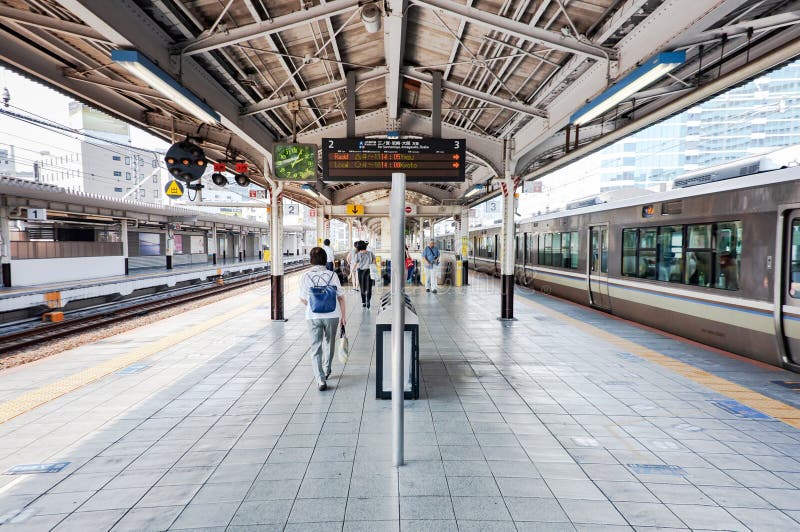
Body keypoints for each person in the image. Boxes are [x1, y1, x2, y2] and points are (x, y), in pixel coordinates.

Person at [299, 247, 346, 391]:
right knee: (329, 342)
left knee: (315, 347)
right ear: (325, 259)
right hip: (332, 315)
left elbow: (303, 299)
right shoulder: (333, 275)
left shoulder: (305, 276)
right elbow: (341, 297)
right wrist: (343, 317)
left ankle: (320, 380)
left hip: (313, 316)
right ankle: (327, 369)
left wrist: (315, 304)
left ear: (311, 260)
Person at [353, 240, 375, 308]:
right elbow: (374, 259)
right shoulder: (370, 253)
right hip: (369, 271)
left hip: (361, 272)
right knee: (369, 287)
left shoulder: (358, 254)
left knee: (362, 287)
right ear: (365, 246)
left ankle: (364, 302)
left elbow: (356, 262)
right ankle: (368, 300)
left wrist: (352, 270)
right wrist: (372, 264)